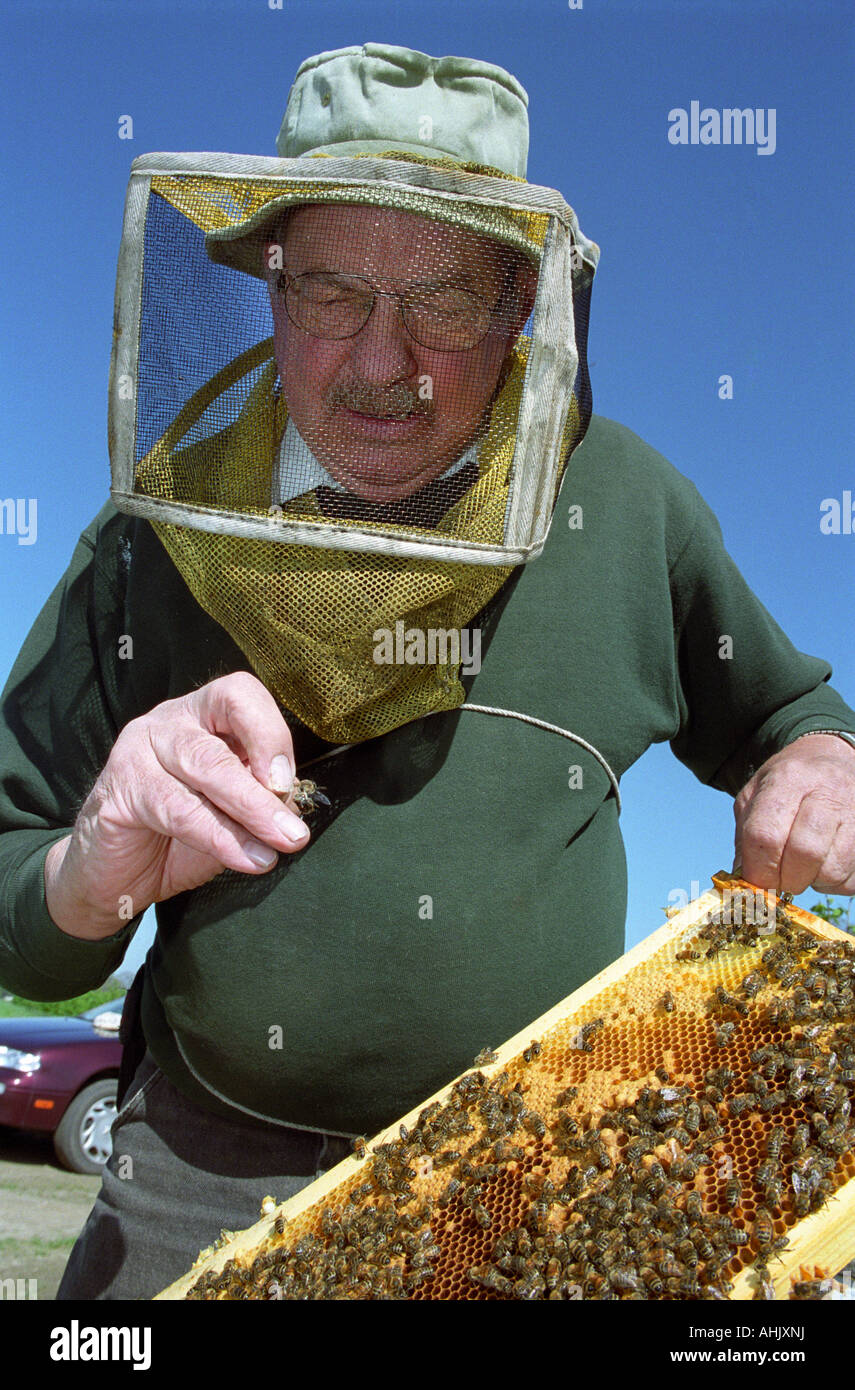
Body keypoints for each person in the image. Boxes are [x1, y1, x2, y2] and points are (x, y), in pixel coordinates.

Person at [0, 43, 853, 1301]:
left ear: (524, 308)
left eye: (447, 299)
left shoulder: (624, 501)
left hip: (546, 1171)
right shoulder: (145, 550)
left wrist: (823, 757)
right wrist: (88, 869)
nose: (381, 362)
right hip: (199, 1164)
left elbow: (789, 711)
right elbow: (22, 909)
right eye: (333, 292)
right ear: (269, 289)